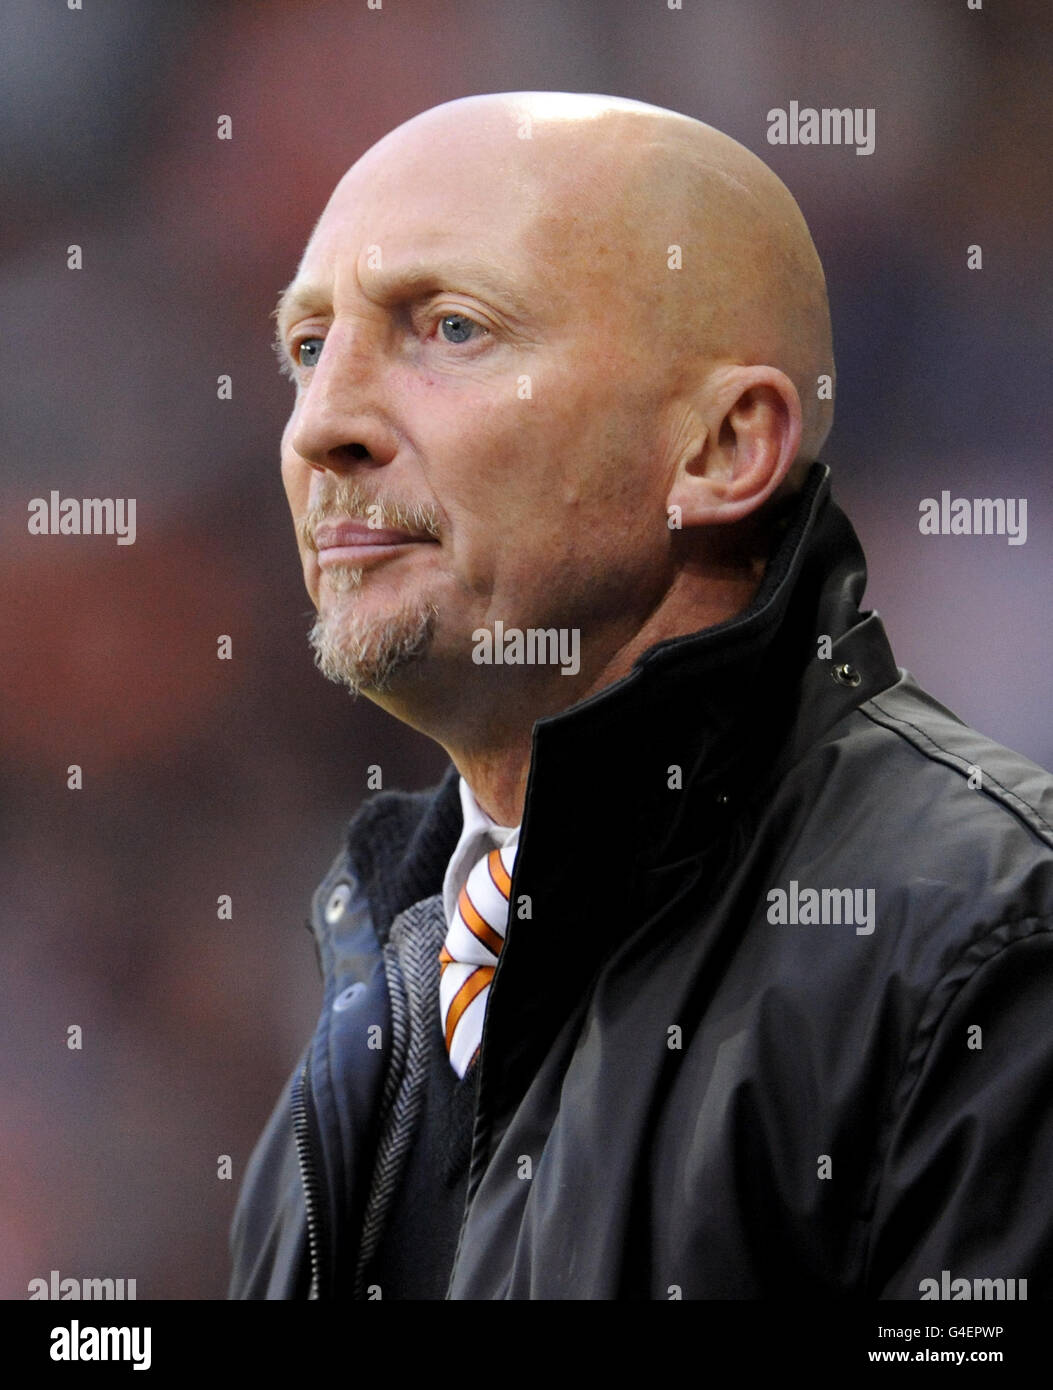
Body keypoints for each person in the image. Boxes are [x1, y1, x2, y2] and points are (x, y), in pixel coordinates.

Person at [229, 92, 1053, 1300]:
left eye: (450, 329)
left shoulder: (990, 949)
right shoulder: (377, 1021)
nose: (324, 427)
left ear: (723, 448)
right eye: (309, 349)